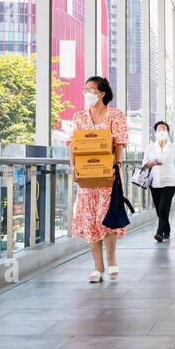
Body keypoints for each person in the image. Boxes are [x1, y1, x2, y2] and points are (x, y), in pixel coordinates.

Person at [68, 75, 128, 283]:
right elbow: (73, 144)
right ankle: (97, 267)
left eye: (90, 90)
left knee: (108, 216)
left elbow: (119, 142)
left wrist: (117, 164)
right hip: (86, 176)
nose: (86, 93)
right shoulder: (79, 118)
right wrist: (73, 167)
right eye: (85, 90)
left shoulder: (115, 116)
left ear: (102, 93)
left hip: (109, 174)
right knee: (89, 218)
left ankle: (111, 261)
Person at [146, 121, 175, 243]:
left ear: (168, 132)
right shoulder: (150, 148)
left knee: (164, 208)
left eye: (164, 129)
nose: (161, 131)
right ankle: (167, 230)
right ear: (155, 132)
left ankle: (159, 233)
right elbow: (145, 165)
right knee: (159, 209)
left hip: (170, 181)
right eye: (159, 129)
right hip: (155, 182)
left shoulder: (174, 148)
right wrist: (152, 163)